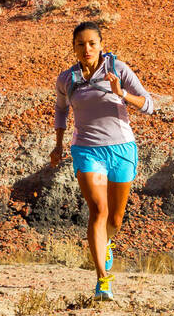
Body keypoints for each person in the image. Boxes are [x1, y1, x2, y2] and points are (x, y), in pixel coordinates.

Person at [50, 21, 155, 301]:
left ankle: (107, 241)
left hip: (121, 149)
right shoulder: (67, 79)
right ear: (73, 47)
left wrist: (121, 93)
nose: (86, 49)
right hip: (87, 150)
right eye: (80, 44)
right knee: (98, 210)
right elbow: (61, 111)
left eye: (92, 43)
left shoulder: (119, 70)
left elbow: (149, 105)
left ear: (100, 44)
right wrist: (58, 146)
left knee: (116, 218)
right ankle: (102, 280)